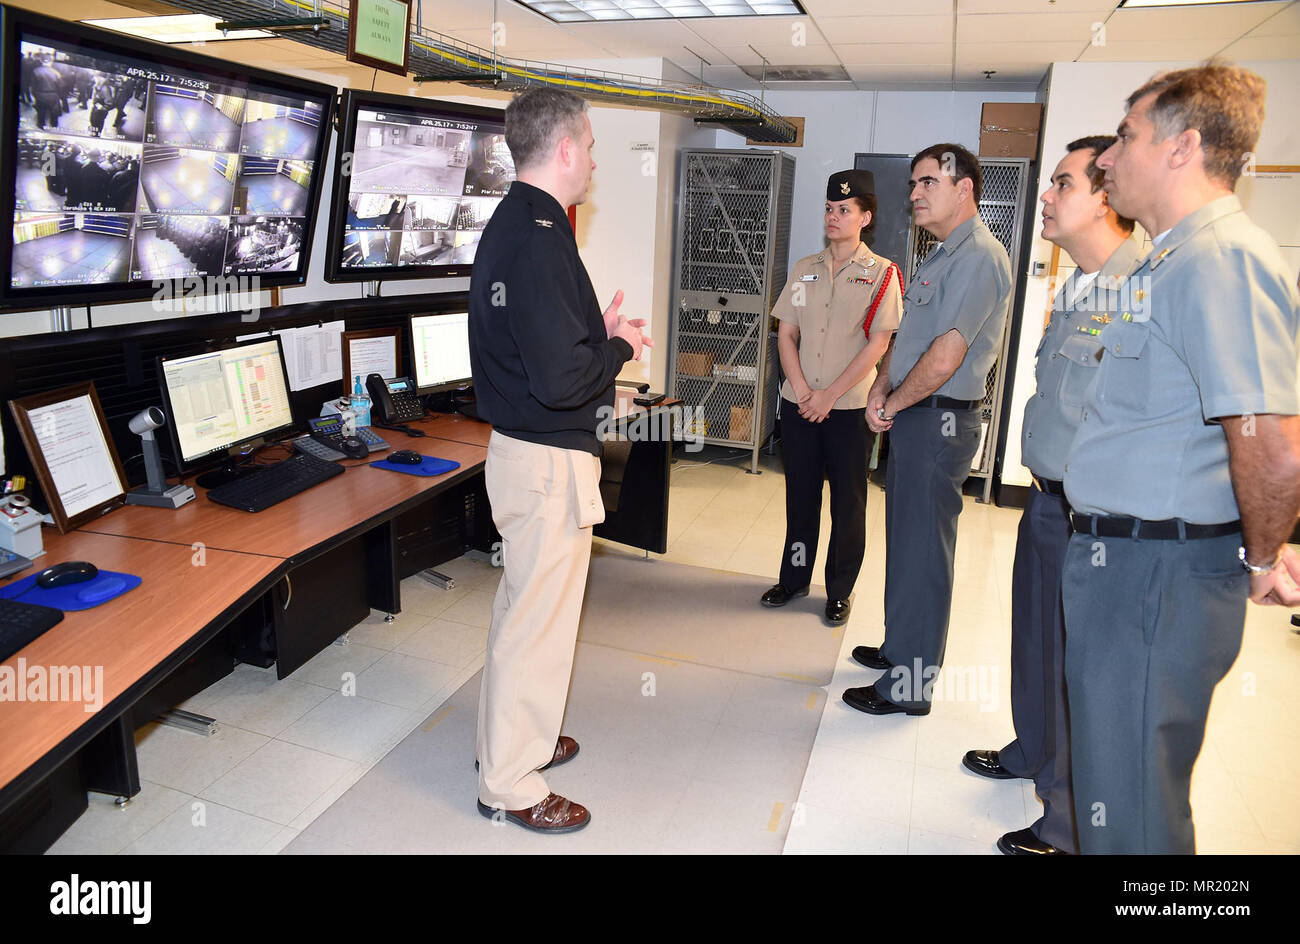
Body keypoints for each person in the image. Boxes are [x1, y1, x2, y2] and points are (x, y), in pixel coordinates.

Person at [1061, 63, 1300, 854]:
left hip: (1154, 577)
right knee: (1118, 777)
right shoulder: (1171, 259)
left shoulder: (1222, 258)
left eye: (1125, 137)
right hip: (1127, 566)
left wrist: (1263, 556)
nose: (1106, 159)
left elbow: (1273, 443)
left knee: (1130, 801)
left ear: (1182, 146)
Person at [467, 86, 650, 834]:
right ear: (567, 148)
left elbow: (541, 341)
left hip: (524, 453)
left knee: (522, 615)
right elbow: (562, 378)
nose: (597, 161)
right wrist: (618, 348)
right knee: (538, 629)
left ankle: (511, 745)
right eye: (594, 146)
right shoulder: (540, 238)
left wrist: (589, 329)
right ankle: (511, 782)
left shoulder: (520, 221)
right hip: (545, 465)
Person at [961, 137, 1141, 856]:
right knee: (1035, 642)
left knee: (1079, 669)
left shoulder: (1143, 291)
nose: (1046, 196)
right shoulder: (1078, 285)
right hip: (1045, 500)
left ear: (1104, 197)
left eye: (1062, 184)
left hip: (1095, 515)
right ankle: (1033, 753)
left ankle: (1067, 824)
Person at [845, 142, 1012, 716]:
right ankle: (901, 649)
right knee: (906, 543)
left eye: (925, 184)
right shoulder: (941, 255)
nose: (913, 194)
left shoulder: (980, 257)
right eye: (912, 185)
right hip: (915, 412)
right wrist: (879, 387)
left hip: (938, 417)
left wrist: (891, 402)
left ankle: (911, 687)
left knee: (925, 553)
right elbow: (906, 338)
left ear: (962, 187)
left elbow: (945, 356)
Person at [761, 169, 902, 624]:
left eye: (844, 210)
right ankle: (794, 578)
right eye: (828, 208)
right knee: (799, 497)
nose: (833, 216)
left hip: (848, 410)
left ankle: (839, 590)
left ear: (866, 216)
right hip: (800, 404)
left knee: (848, 503)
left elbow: (878, 346)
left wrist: (829, 396)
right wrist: (803, 391)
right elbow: (787, 334)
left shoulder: (881, 275)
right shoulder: (805, 270)